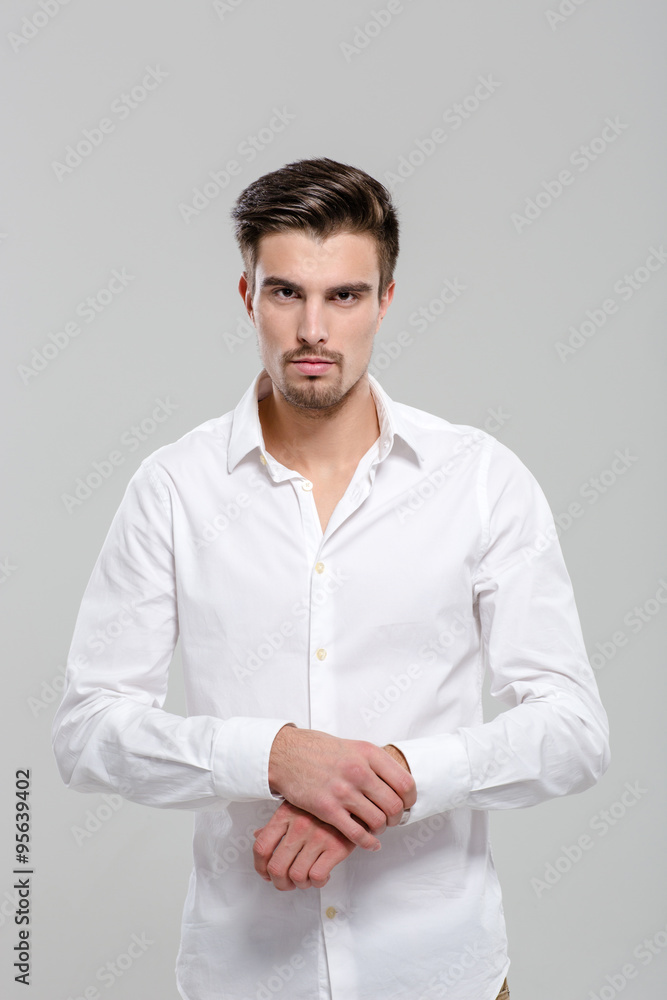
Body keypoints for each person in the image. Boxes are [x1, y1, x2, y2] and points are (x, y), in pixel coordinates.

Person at [52, 156, 610, 1000]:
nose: (314, 327)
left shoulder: (479, 479)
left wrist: (390, 780)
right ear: (248, 296)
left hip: (443, 973)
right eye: (287, 293)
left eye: (343, 296)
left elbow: (573, 729)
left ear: (384, 299)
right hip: (245, 976)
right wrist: (270, 757)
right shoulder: (172, 488)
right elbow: (87, 730)